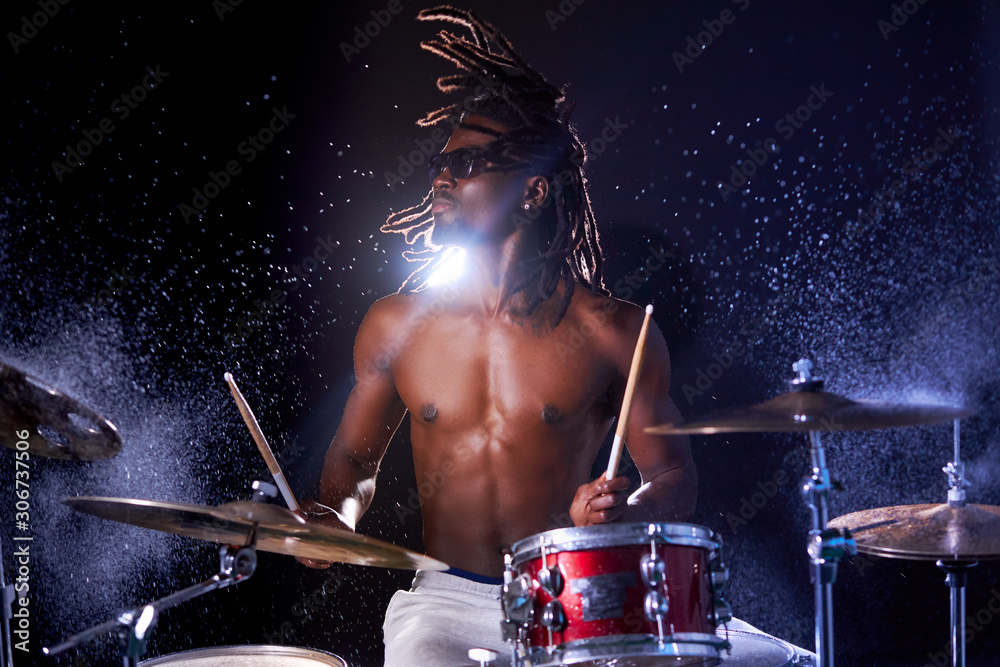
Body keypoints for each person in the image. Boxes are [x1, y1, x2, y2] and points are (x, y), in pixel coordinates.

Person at [299, 7, 812, 666]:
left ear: (533, 192)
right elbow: (354, 460)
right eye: (438, 164)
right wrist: (337, 517)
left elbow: (672, 474)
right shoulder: (397, 324)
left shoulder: (613, 330)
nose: (442, 178)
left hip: (578, 590)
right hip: (448, 599)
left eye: (468, 163)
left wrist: (628, 510)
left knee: (784, 661)